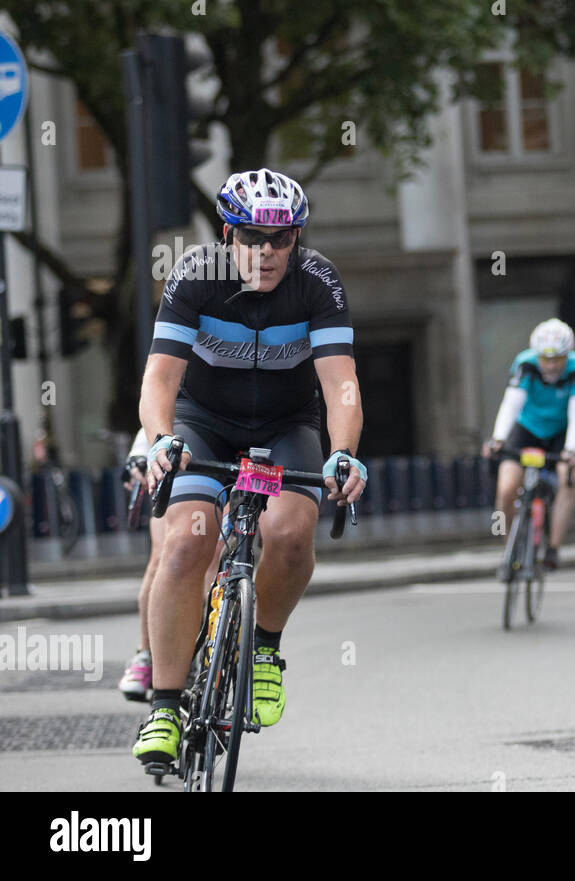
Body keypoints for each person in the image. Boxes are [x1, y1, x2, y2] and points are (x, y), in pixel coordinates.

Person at [133, 168, 368, 767]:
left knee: (290, 535)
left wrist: (343, 451)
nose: (265, 253)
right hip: (203, 421)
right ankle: (164, 705)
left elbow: (340, 383)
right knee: (187, 543)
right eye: (249, 238)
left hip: (286, 427)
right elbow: (160, 377)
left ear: (297, 239)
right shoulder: (195, 276)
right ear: (225, 233)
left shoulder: (318, 281)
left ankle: (263, 650)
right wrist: (161, 439)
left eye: (281, 240)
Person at [117, 428, 224, 702]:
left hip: (237, 470)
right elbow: (160, 409)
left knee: (220, 555)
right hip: (184, 462)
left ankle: (220, 646)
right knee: (167, 552)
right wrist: (139, 455)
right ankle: (145, 654)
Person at [482, 318, 575, 571]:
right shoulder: (525, 363)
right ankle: (511, 549)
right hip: (528, 429)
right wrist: (498, 438)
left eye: (557, 359)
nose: (551, 365)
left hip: (561, 433)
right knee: (507, 487)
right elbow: (512, 402)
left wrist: (571, 450)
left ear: (568, 355)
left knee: (568, 475)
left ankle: (553, 548)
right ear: (536, 354)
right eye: (545, 359)